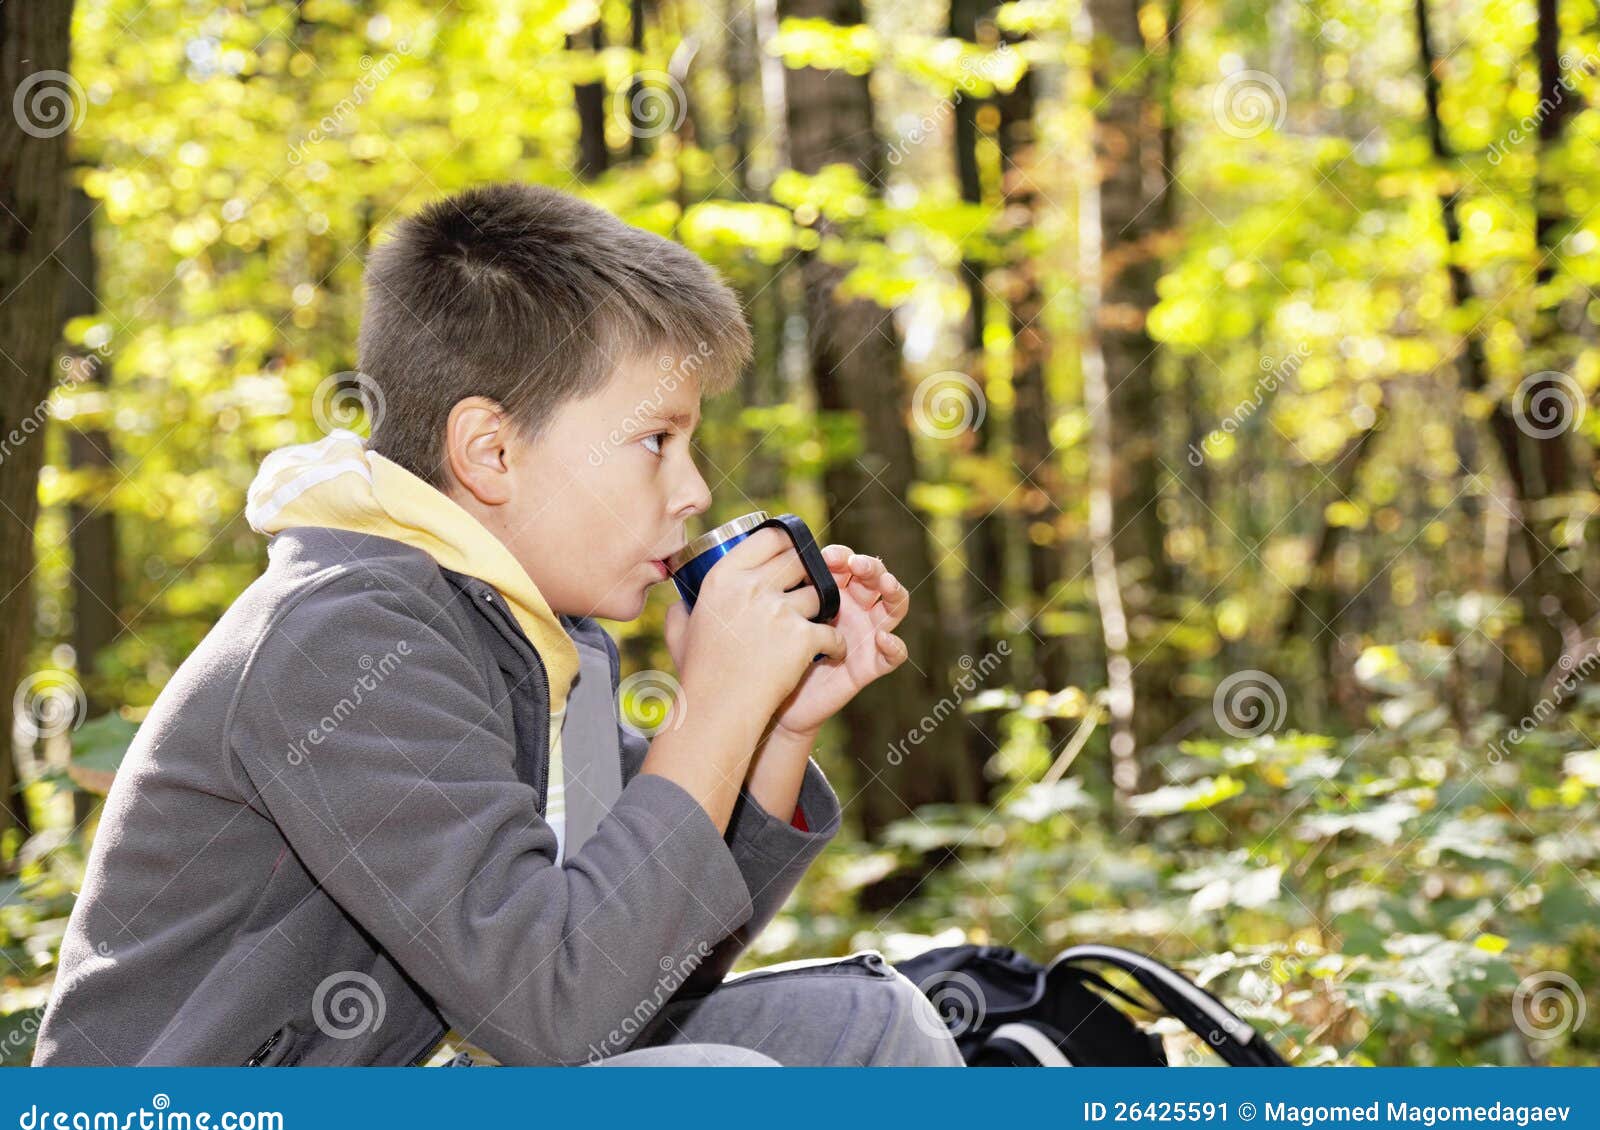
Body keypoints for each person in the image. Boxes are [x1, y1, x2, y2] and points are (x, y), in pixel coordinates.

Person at [32, 182, 963, 1069]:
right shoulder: (344, 636)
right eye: (655, 440)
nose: (694, 489)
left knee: (867, 1027)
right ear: (491, 451)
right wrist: (714, 704)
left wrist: (774, 726)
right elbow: (561, 1012)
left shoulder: (555, 652)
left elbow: (632, 973)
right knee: (717, 1081)